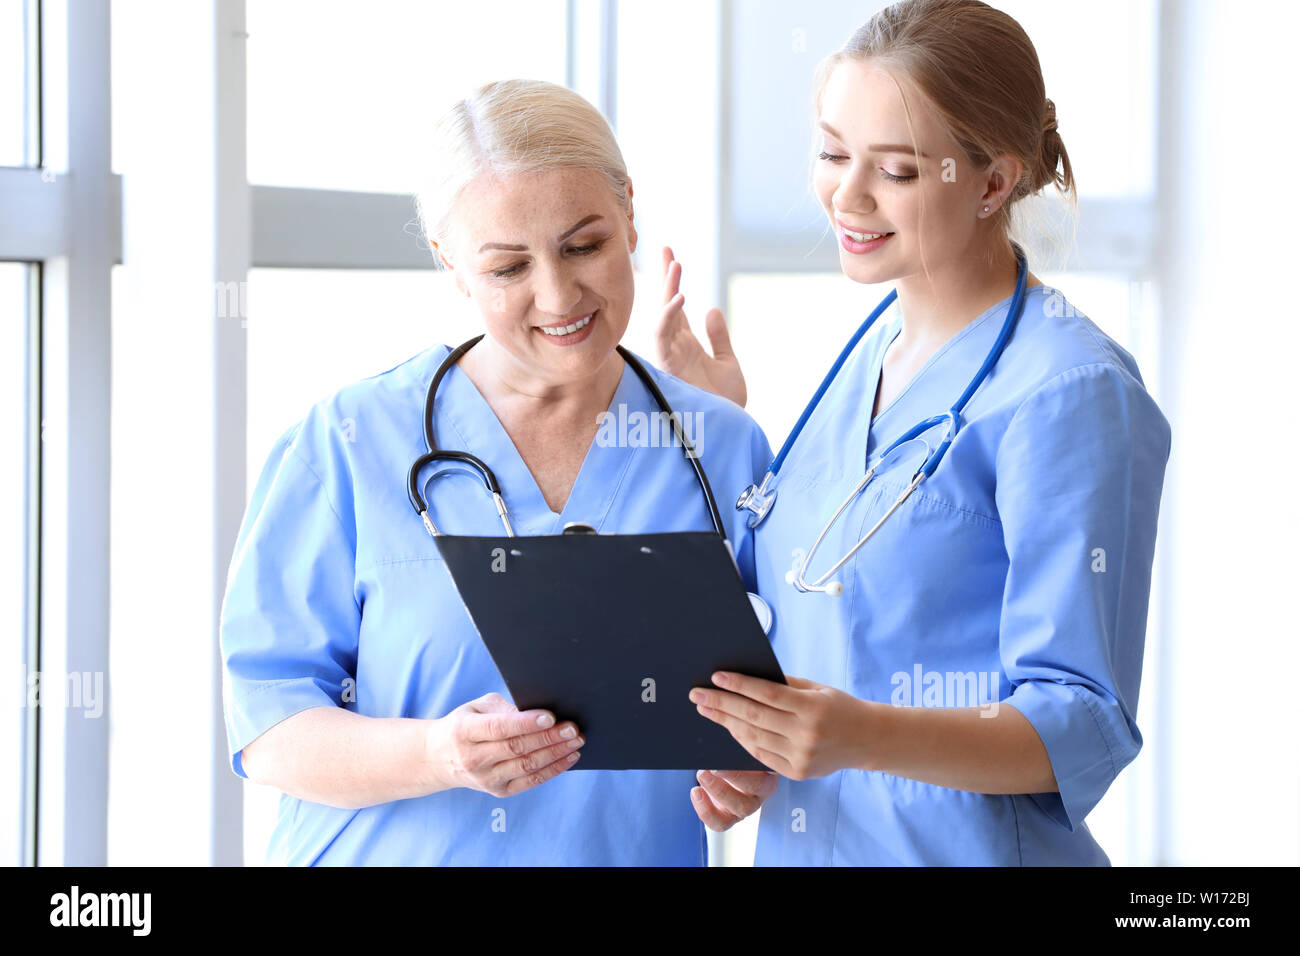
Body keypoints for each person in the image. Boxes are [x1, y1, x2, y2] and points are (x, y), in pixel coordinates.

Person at [657, 0, 1172, 865]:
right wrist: (721, 432)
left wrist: (862, 736)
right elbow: (797, 608)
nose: (845, 196)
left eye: (894, 170)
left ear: (993, 182)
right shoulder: (869, 358)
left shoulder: (1070, 392)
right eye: (830, 153)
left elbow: (1083, 719)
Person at [219, 79, 776, 866]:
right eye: (509, 267)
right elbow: (270, 730)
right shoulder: (348, 442)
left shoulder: (717, 446)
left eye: (585, 245)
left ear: (628, 211)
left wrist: (752, 773)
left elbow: (786, 697)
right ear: (450, 261)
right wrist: (438, 755)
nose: (559, 295)